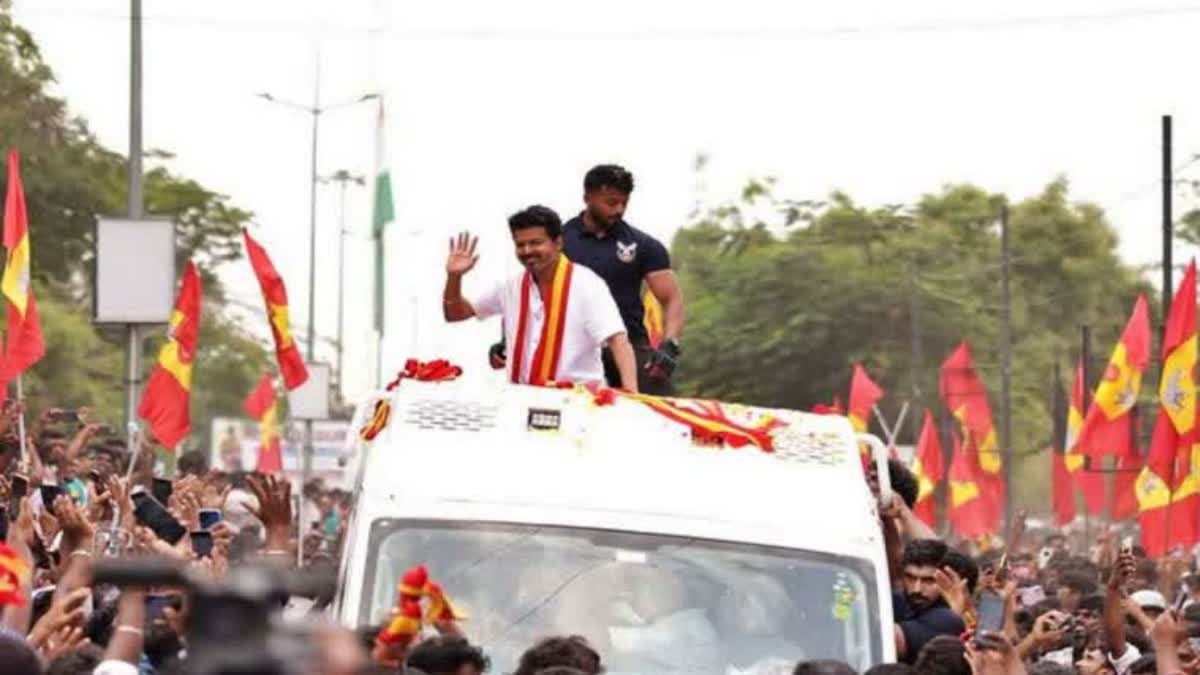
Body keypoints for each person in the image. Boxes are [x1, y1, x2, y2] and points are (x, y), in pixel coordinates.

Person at [443, 205, 639, 391]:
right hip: (521, 400)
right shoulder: (511, 286)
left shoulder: (586, 284)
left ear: (558, 243)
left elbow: (617, 340)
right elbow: (455, 314)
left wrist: (632, 393)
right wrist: (454, 277)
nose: (527, 251)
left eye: (535, 243)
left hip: (577, 403)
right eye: (520, 244)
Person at [892, 539, 967, 664]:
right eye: (910, 577)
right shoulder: (897, 601)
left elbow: (884, 638)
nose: (917, 589)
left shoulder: (947, 620)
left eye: (928, 580)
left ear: (948, 579)